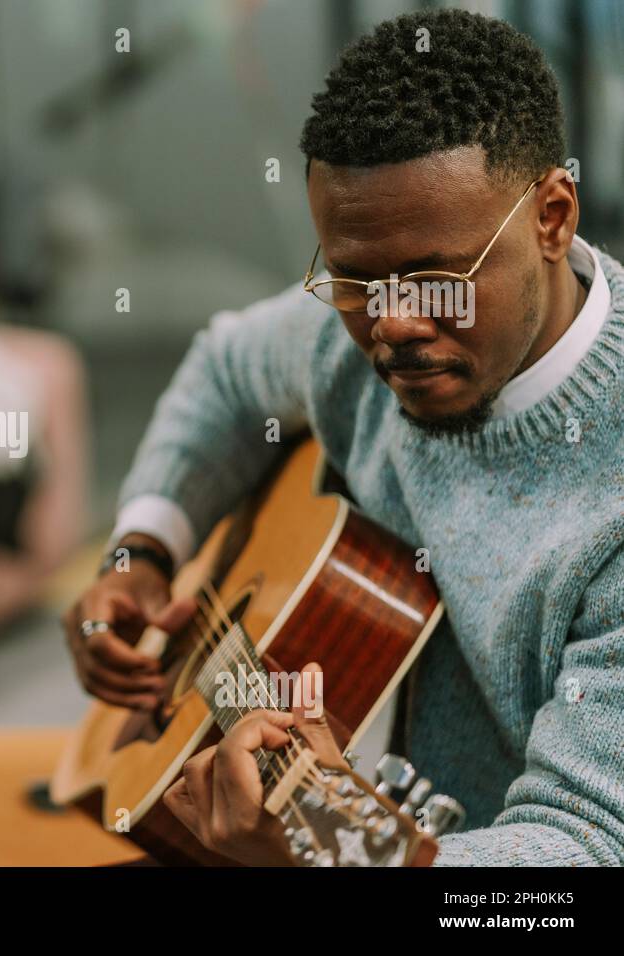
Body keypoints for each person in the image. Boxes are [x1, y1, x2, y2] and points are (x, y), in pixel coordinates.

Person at [64, 9, 624, 866]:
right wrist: (141, 553)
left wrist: (338, 851)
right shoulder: (354, 325)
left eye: (437, 282)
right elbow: (224, 370)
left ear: (551, 215)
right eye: (354, 280)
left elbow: (582, 850)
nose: (392, 328)